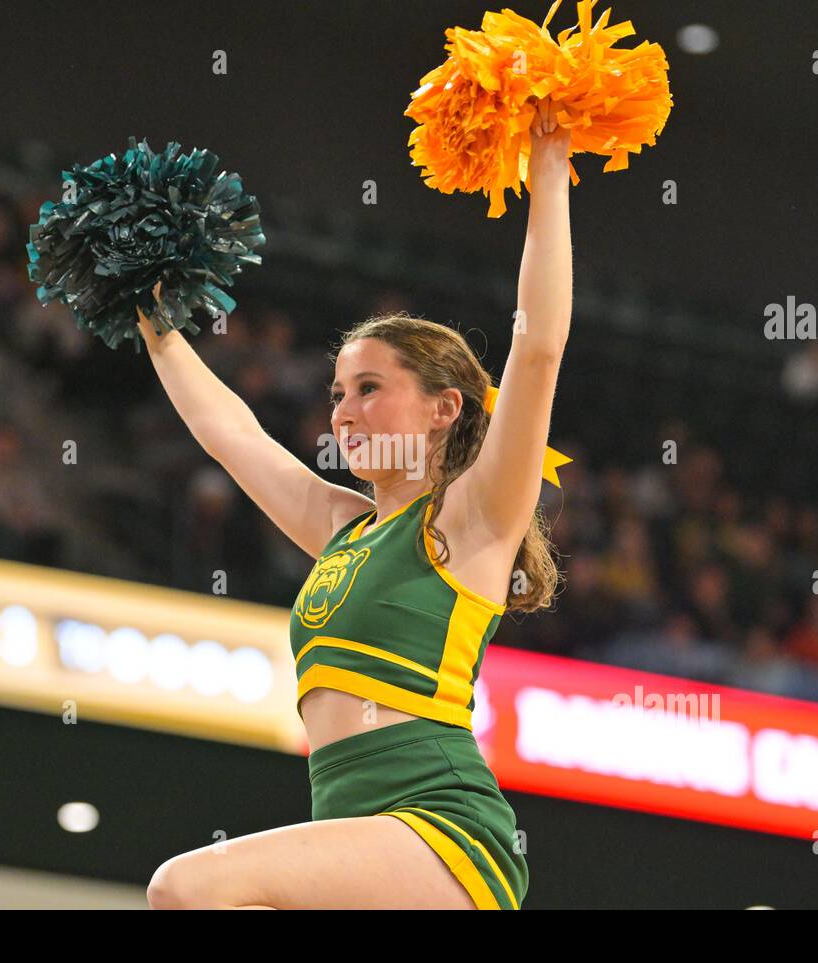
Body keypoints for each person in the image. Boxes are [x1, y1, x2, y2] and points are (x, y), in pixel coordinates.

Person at [140, 98, 573, 909]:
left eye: (371, 388)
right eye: (339, 391)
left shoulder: (471, 519)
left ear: (445, 407)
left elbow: (538, 346)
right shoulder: (343, 528)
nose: (343, 410)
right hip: (356, 831)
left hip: (439, 827)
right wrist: (156, 324)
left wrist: (549, 170)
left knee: (184, 889)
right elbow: (230, 433)